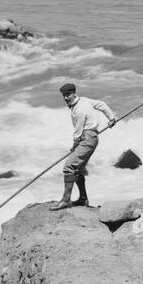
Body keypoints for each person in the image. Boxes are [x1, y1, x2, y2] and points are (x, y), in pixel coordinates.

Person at [50, 82, 117, 210]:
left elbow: (78, 133)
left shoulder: (80, 110)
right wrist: (111, 117)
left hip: (87, 138)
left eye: (68, 95)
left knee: (69, 166)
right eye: (64, 95)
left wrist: (74, 146)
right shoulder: (84, 100)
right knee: (78, 168)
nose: (65, 98)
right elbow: (102, 105)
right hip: (91, 138)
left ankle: (65, 200)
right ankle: (83, 199)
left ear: (74, 93)